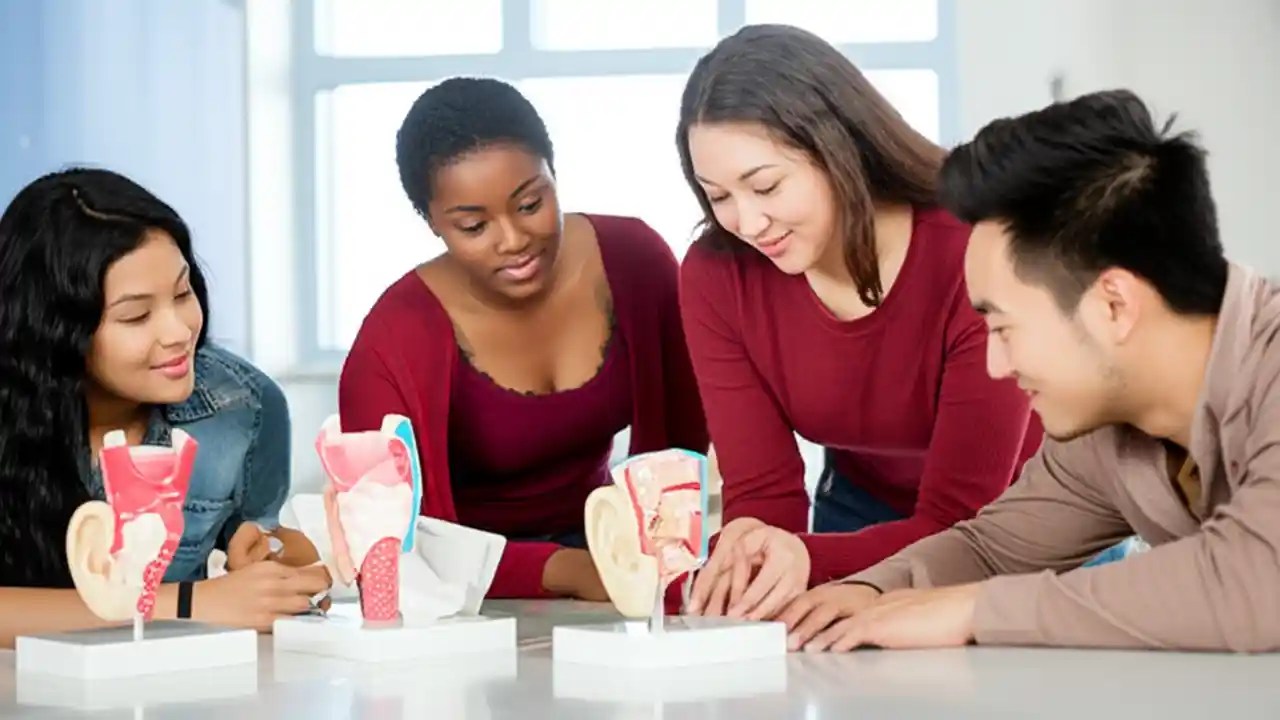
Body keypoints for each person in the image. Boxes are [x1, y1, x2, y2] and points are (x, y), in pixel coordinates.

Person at [780, 88, 1280, 654]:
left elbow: (1256, 579)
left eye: (1003, 327)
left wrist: (977, 612)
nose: (995, 366)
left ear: (1113, 305)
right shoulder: (1106, 431)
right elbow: (992, 550)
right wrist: (870, 591)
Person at [677, 23, 1042, 621]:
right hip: (854, 520)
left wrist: (802, 560)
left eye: (765, 185)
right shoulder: (718, 275)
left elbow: (963, 521)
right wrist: (746, 560)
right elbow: (763, 495)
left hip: (1023, 529)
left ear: (839, 147)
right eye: (717, 196)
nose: (745, 220)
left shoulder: (973, 246)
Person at [338, 77, 709, 601]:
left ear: (554, 175)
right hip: (469, 584)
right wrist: (575, 571)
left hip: (610, 552)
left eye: (531, 204)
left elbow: (682, 444)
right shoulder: (392, 342)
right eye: (473, 226)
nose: (513, 241)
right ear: (431, 223)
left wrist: (640, 557)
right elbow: (396, 545)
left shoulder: (636, 261)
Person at [0, 168, 330, 647]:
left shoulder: (242, 406)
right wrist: (187, 604)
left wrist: (272, 556)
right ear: (56, 332)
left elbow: (268, 544)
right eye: (136, 315)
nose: (178, 332)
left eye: (182, 293)